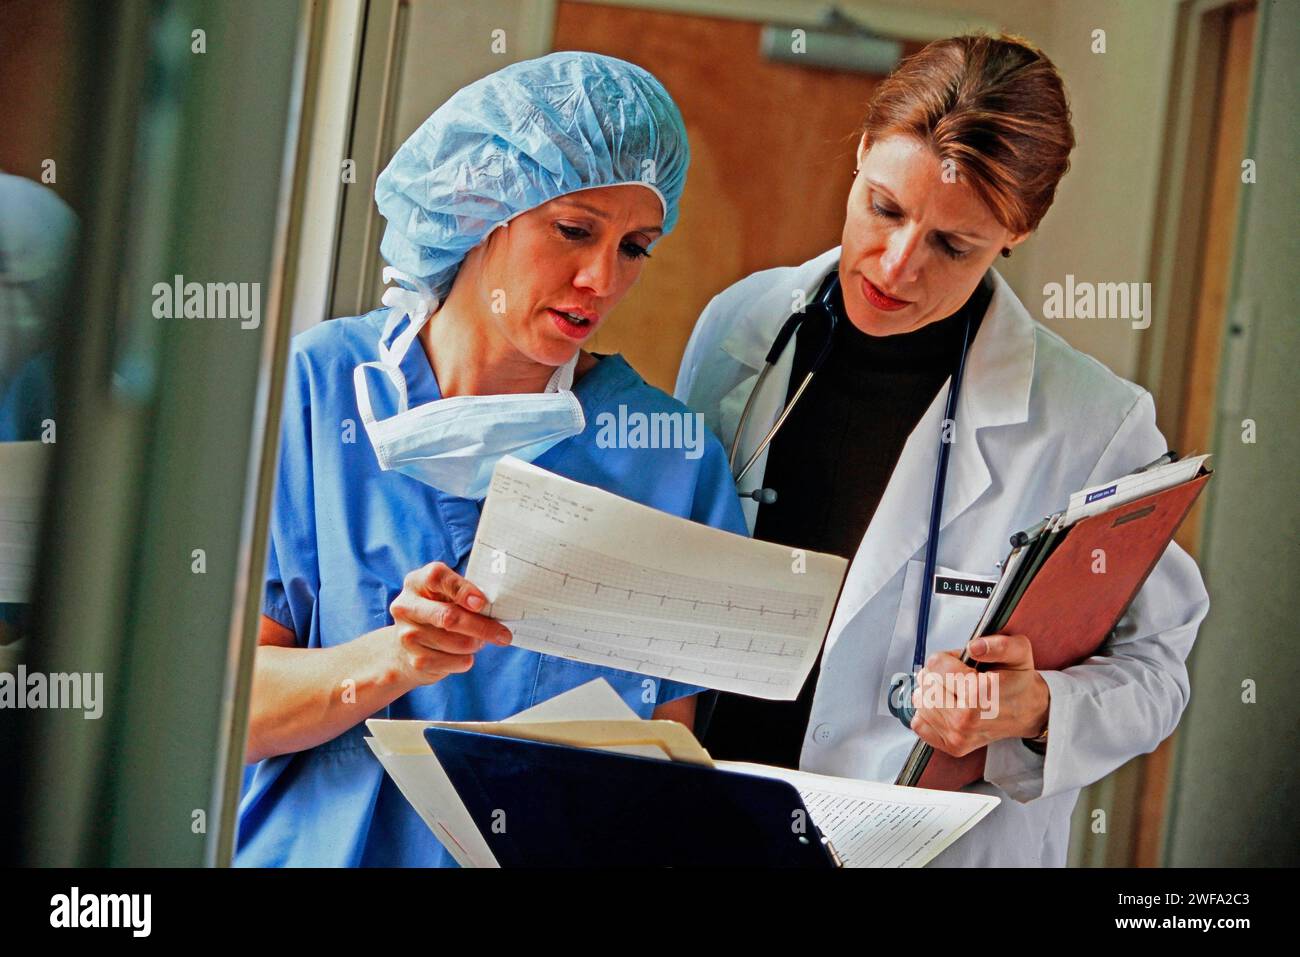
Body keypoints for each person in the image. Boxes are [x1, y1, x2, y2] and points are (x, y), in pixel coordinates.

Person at [674, 33, 1209, 866]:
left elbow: (1157, 672)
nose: (896, 265)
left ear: (1016, 234)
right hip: (708, 819)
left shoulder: (1091, 424)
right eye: (884, 208)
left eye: (953, 246)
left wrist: (1034, 708)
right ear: (858, 156)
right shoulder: (738, 327)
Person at [236, 51, 747, 867]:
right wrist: (393, 658)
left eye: (635, 247)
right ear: (481, 204)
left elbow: (660, 773)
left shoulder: (671, 461)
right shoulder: (323, 390)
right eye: (575, 230)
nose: (600, 279)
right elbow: (226, 715)